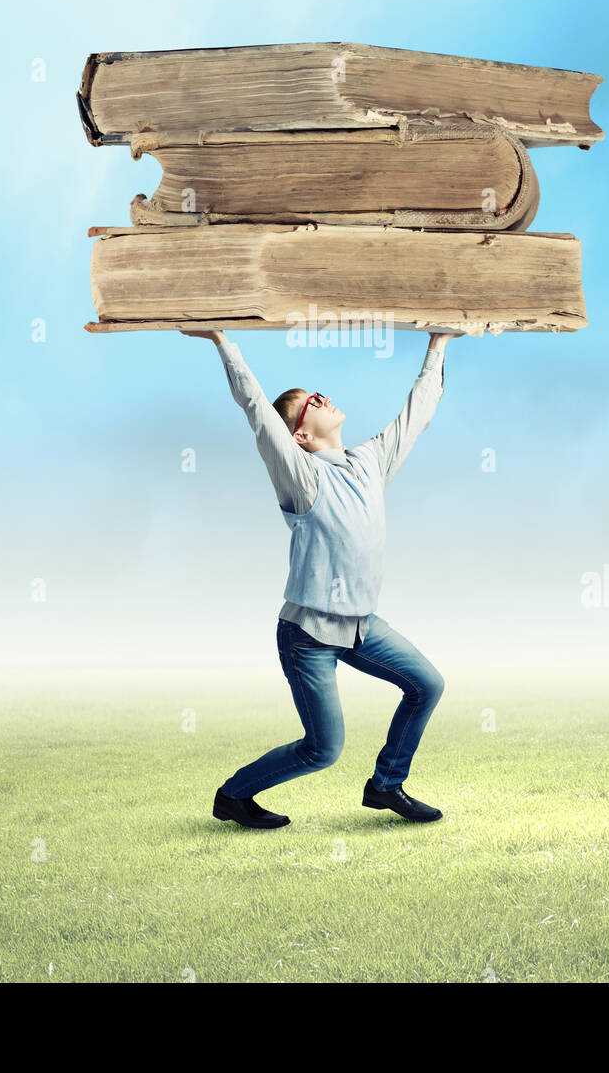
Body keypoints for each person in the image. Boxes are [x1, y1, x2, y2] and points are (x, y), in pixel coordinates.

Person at [180, 327, 458, 828]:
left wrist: (438, 343)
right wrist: (221, 340)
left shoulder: (370, 463)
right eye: (311, 403)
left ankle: (386, 786)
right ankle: (233, 796)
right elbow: (259, 412)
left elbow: (417, 415)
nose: (322, 398)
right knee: (323, 749)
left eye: (319, 394)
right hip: (308, 635)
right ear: (302, 437)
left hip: (362, 627)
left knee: (427, 685)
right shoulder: (302, 477)